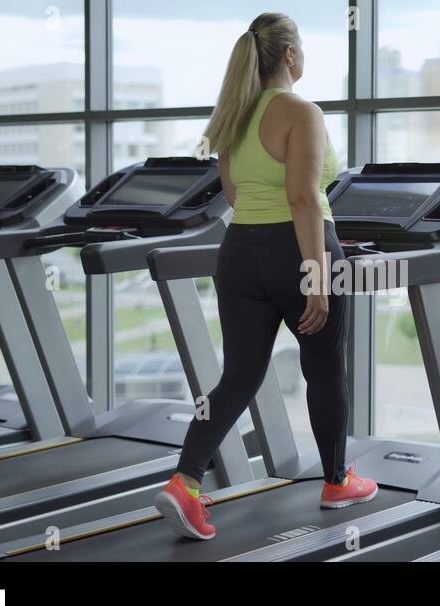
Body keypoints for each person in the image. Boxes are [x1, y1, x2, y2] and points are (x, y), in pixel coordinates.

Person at [153, 13, 378, 540]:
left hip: (239, 252)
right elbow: (302, 199)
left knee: (239, 376)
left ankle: (185, 482)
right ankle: (337, 480)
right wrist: (315, 276)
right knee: (323, 371)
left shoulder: (233, 115)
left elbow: (234, 196)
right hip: (298, 250)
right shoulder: (302, 112)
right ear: (291, 55)